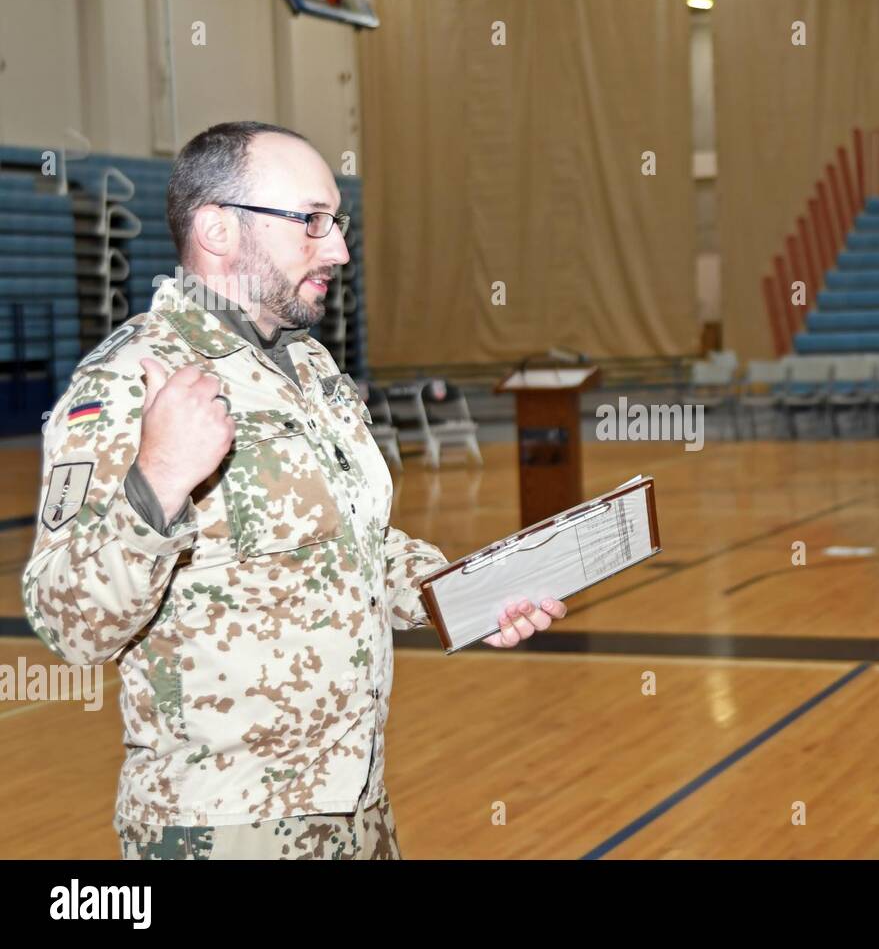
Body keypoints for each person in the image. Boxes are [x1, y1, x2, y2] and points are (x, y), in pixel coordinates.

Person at [22, 121, 565, 859]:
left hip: (358, 807)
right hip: (223, 828)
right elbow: (66, 625)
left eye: (335, 223)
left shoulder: (307, 367)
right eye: (311, 222)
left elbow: (354, 548)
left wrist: (468, 596)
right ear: (218, 228)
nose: (337, 248)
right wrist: (158, 484)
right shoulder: (125, 381)